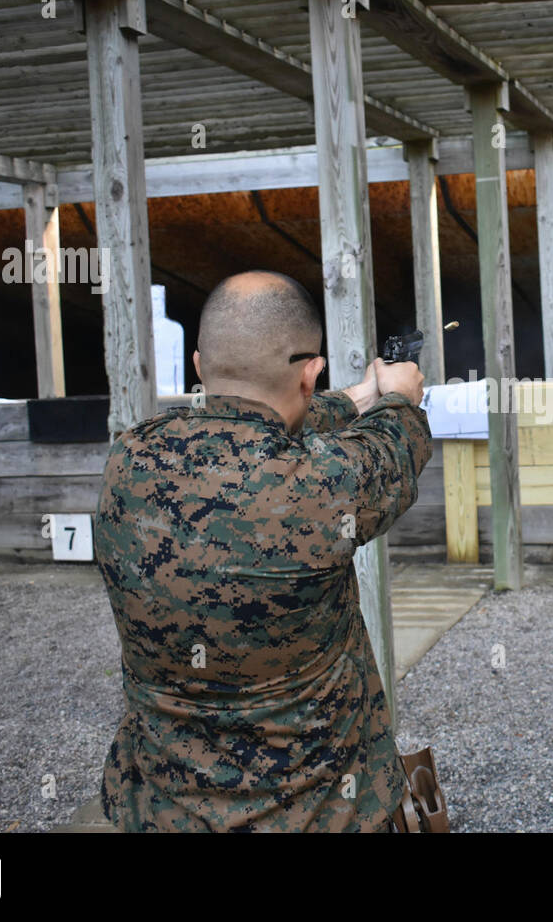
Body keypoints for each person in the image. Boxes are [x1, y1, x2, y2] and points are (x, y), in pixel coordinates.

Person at [93, 270, 430, 832]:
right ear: (310, 372)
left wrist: (357, 395)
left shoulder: (129, 458)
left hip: (160, 807)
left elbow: (254, 420)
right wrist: (396, 397)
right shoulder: (326, 485)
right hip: (318, 810)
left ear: (200, 366)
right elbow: (396, 446)